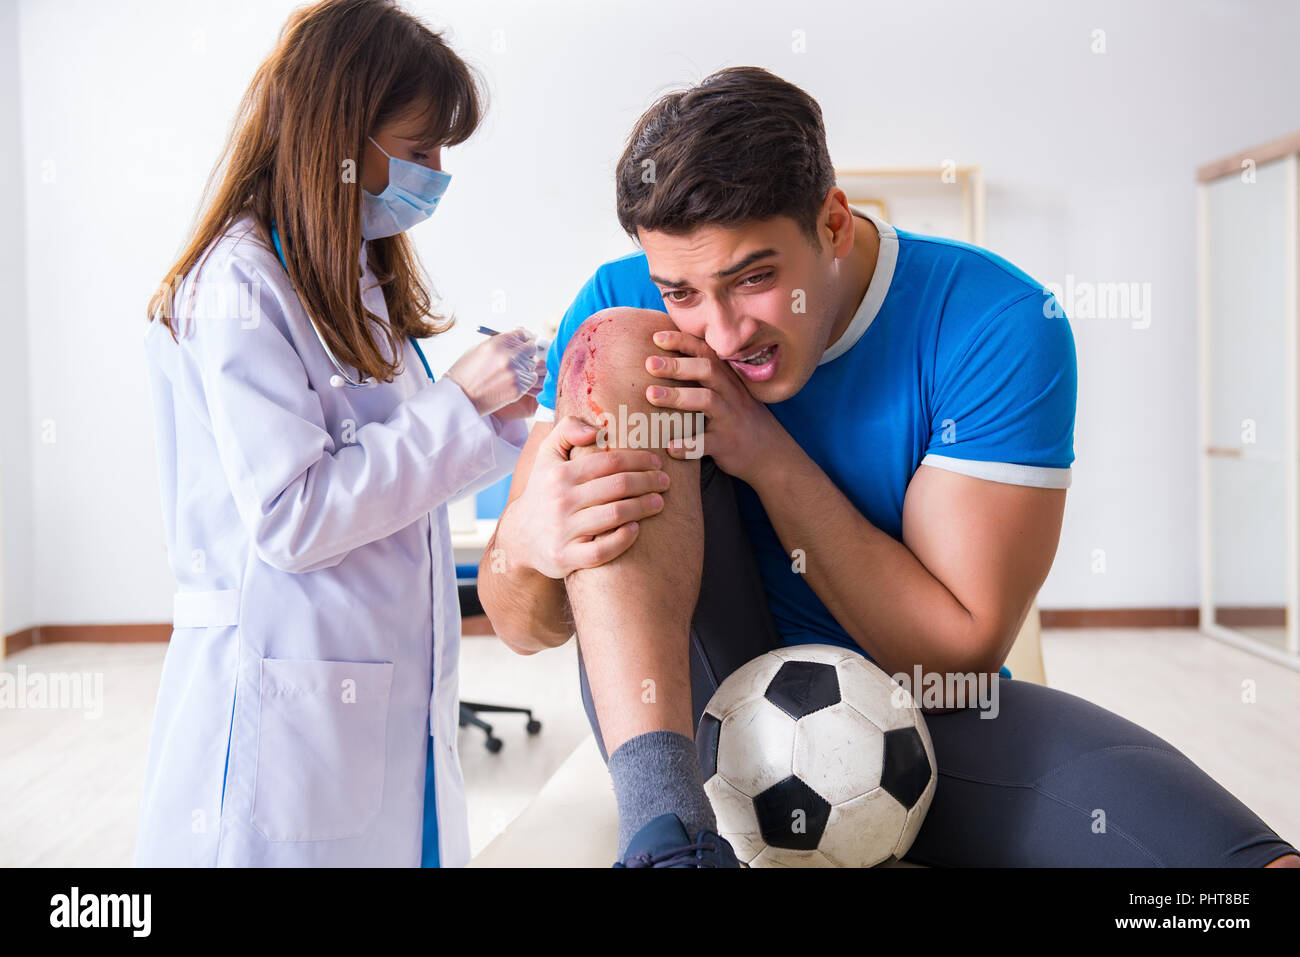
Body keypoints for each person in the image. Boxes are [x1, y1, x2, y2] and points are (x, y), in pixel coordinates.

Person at [479, 66, 1300, 868]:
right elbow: (524, 624)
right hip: (696, 705)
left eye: (755, 278)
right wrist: (527, 543)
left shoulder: (992, 320)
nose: (723, 334)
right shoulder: (622, 302)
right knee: (622, 348)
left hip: (910, 715)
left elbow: (954, 658)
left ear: (834, 222)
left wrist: (763, 450)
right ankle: (666, 836)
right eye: (684, 291)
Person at [135, 0, 543, 867]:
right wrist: (456, 411)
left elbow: (387, 476)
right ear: (341, 134)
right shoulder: (241, 283)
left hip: (371, 684)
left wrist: (487, 418)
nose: (435, 175)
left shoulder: (353, 274)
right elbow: (295, 515)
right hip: (289, 690)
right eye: (420, 148)